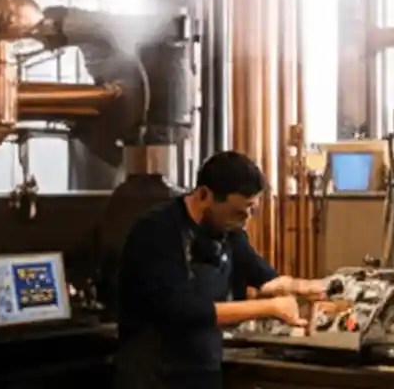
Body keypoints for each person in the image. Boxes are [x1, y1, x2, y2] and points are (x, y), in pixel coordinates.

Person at [115, 152, 325, 389]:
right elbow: (180, 310)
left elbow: (263, 277)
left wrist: (303, 287)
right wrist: (270, 307)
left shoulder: (228, 229)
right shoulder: (157, 231)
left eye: (251, 211)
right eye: (238, 212)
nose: (245, 221)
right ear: (204, 195)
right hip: (154, 374)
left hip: (201, 368)